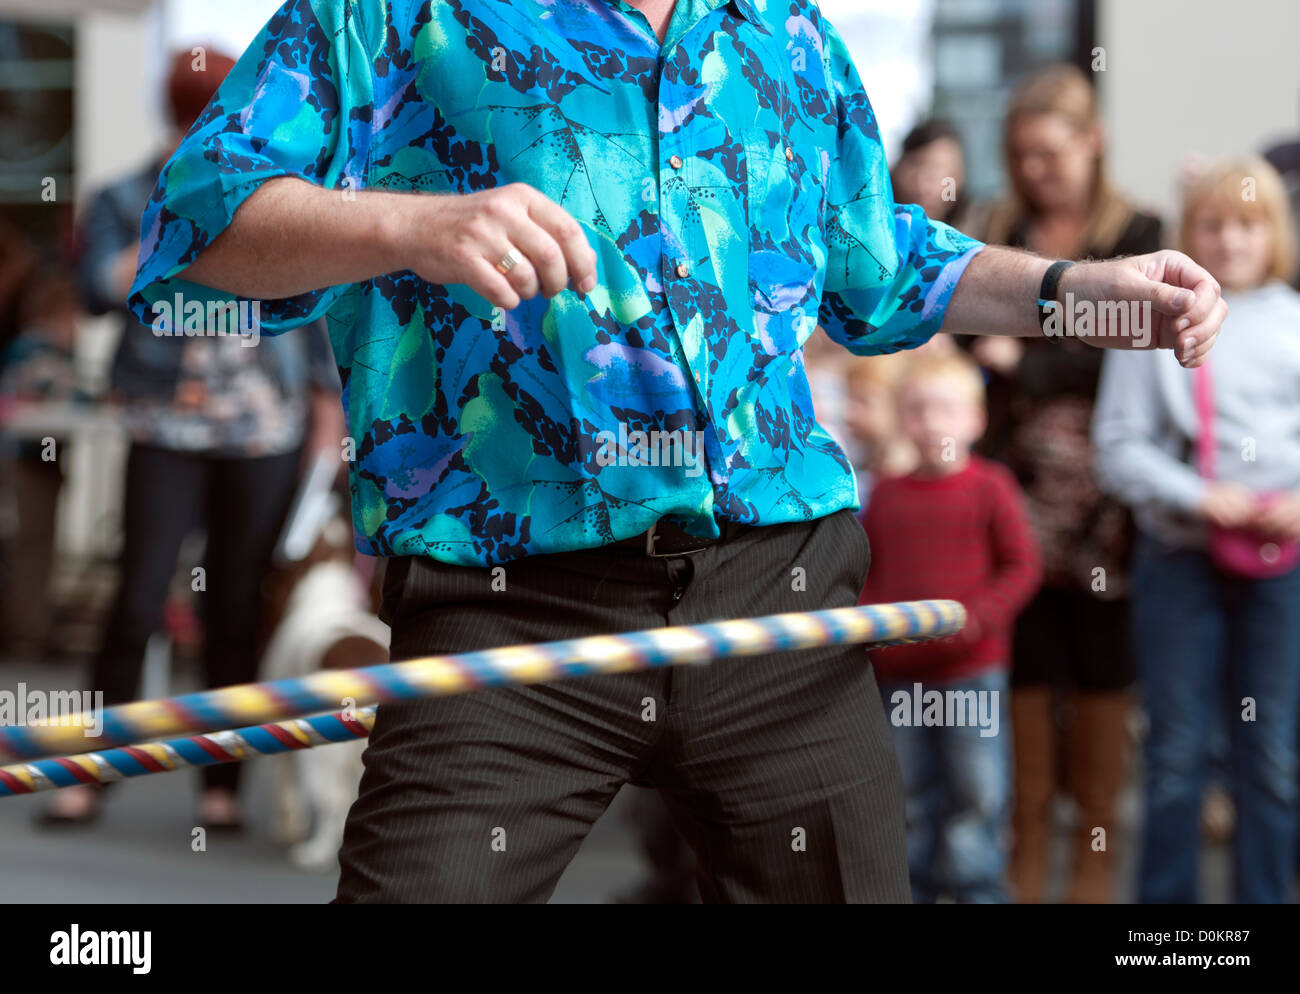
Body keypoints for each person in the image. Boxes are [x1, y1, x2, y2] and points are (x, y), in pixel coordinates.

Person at [128, 0, 1221, 903]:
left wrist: (1072, 293)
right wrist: (411, 226)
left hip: (778, 591)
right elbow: (194, 235)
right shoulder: (383, 16)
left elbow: (877, 267)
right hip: (509, 601)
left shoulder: (781, 34)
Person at [43, 49, 344, 828]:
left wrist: (326, 419)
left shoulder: (278, 189)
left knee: (234, 605)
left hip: (263, 429)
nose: (201, 127)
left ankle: (220, 790)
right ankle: (88, 774)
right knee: (137, 598)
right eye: (190, 113)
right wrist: (178, 216)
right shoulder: (127, 194)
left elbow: (313, 311)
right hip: (165, 422)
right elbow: (95, 292)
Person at [966, 64, 1166, 903]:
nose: (1033, 170)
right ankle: (1021, 863)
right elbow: (974, 345)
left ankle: (1091, 865)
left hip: (1110, 503)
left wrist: (1033, 358)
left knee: (1103, 669)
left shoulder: (1140, 229)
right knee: (1025, 665)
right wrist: (1046, 355)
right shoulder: (999, 227)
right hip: (1014, 495)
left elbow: (1126, 343)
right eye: (1019, 154)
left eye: (1049, 152)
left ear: (1093, 142)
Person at [1093, 157, 1300, 904]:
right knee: (1175, 754)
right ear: (1189, 233)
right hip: (1178, 562)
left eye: (1248, 224)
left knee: (1271, 752)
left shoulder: (1292, 321)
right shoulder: (1156, 322)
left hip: (1283, 570)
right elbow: (1118, 448)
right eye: (1212, 223)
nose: (1231, 238)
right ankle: (1168, 927)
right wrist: (1199, 497)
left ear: (1273, 233)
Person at [860, 351, 1041, 902]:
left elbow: (1022, 566)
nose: (932, 421)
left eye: (945, 408)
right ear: (900, 420)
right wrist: (874, 634)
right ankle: (908, 889)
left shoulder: (991, 487)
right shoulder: (885, 495)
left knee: (977, 791)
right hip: (900, 678)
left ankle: (975, 889)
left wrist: (975, 621)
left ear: (975, 419)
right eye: (916, 409)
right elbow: (865, 574)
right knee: (907, 792)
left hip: (971, 673)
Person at [891, 119, 969, 231]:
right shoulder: (878, 220)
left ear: (958, 177)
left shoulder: (982, 226)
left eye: (935, 171)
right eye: (913, 168)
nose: (922, 185)